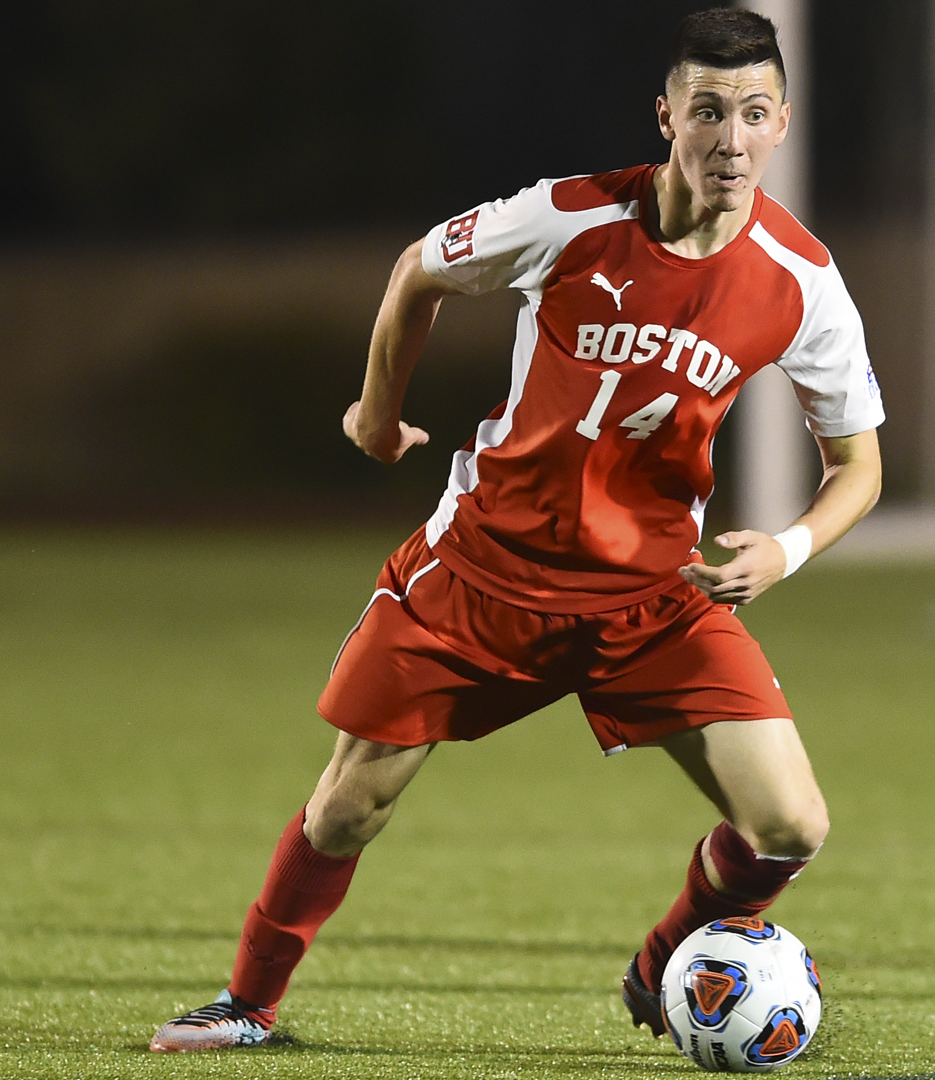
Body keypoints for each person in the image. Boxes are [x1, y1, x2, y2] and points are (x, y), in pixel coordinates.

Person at [148, 10, 884, 1052]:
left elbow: (860, 467)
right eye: (709, 111)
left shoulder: (802, 281)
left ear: (782, 124)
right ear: (667, 114)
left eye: (753, 114)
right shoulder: (570, 218)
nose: (730, 137)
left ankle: (663, 960)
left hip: (652, 598)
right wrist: (373, 410)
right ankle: (248, 1005)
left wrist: (786, 548)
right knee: (348, 806)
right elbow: (418, 270)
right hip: (486, 572)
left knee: (791, 827)